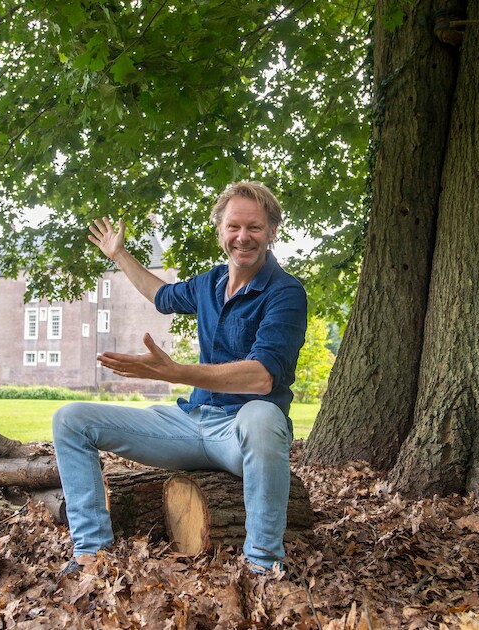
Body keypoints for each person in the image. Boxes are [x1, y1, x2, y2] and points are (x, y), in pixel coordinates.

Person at [52, 180, 308, 576]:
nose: (243, 237)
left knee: (263, 416)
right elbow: (161, 295)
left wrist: (175, 372)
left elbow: (261, 378)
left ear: (271, 232)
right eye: (234, 227)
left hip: (239, 436)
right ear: (220, 230)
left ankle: (263, 564)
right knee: (70, 419)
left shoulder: (286, 292)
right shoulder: (209, 284)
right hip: (190, 423)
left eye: (255, 228)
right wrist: (118, 255)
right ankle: (91, 552)